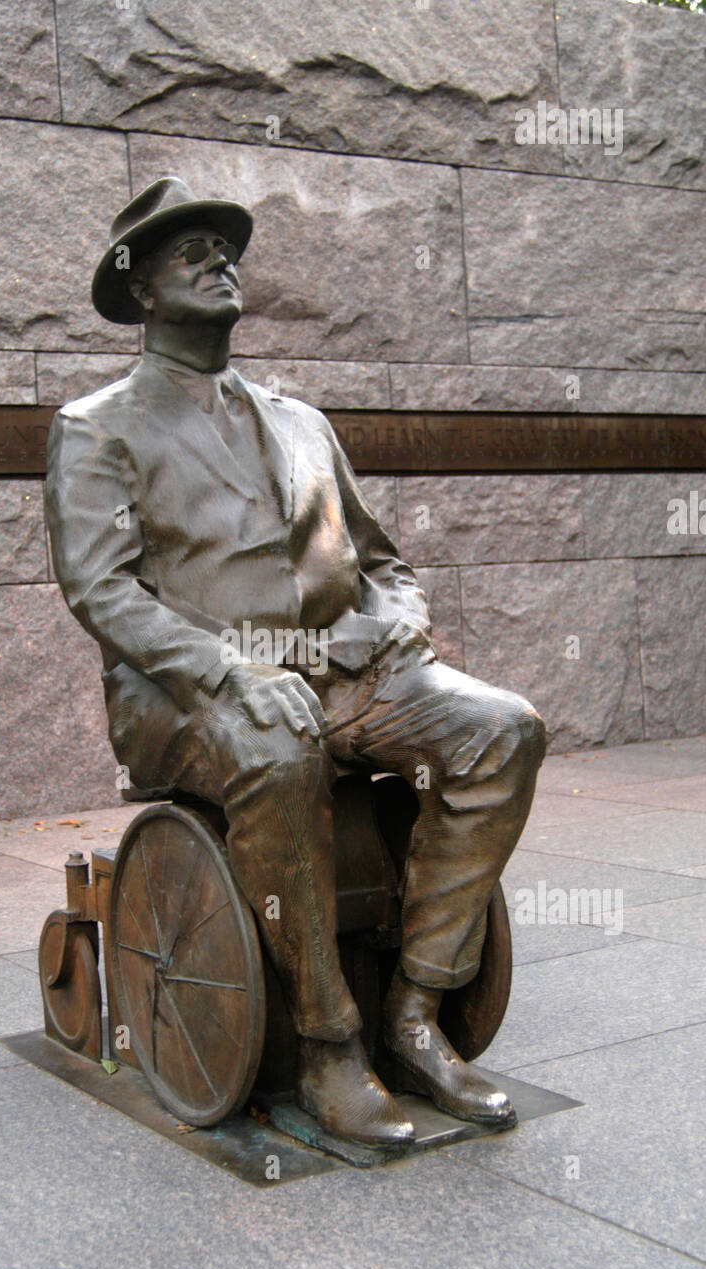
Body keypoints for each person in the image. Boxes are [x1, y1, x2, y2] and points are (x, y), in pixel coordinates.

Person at [46, 177, 546, 1150]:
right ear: (141, 289)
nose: (217, 260)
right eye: (187, 251)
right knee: (275, 744)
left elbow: (387, 561)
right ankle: (327, 1042)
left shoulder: (302, 421)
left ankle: (414, 1013)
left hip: (341, 671)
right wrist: (232, 673)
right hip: (184, 691)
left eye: (224, 247)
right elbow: (103, 593)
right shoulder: (97, 427)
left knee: (502, 729)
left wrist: (396, 627)